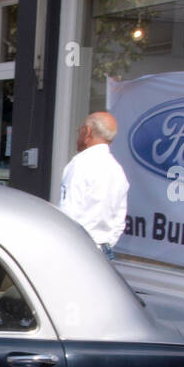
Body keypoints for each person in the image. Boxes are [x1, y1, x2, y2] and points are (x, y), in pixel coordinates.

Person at [57, 110, 129, 260]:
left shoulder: (80, 164)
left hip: (77, 249)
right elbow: (119, 222)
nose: (78, 134)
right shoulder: (117, 170)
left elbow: (69, 214)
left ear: (87, 131)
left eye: (79, 130)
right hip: (103, 250)